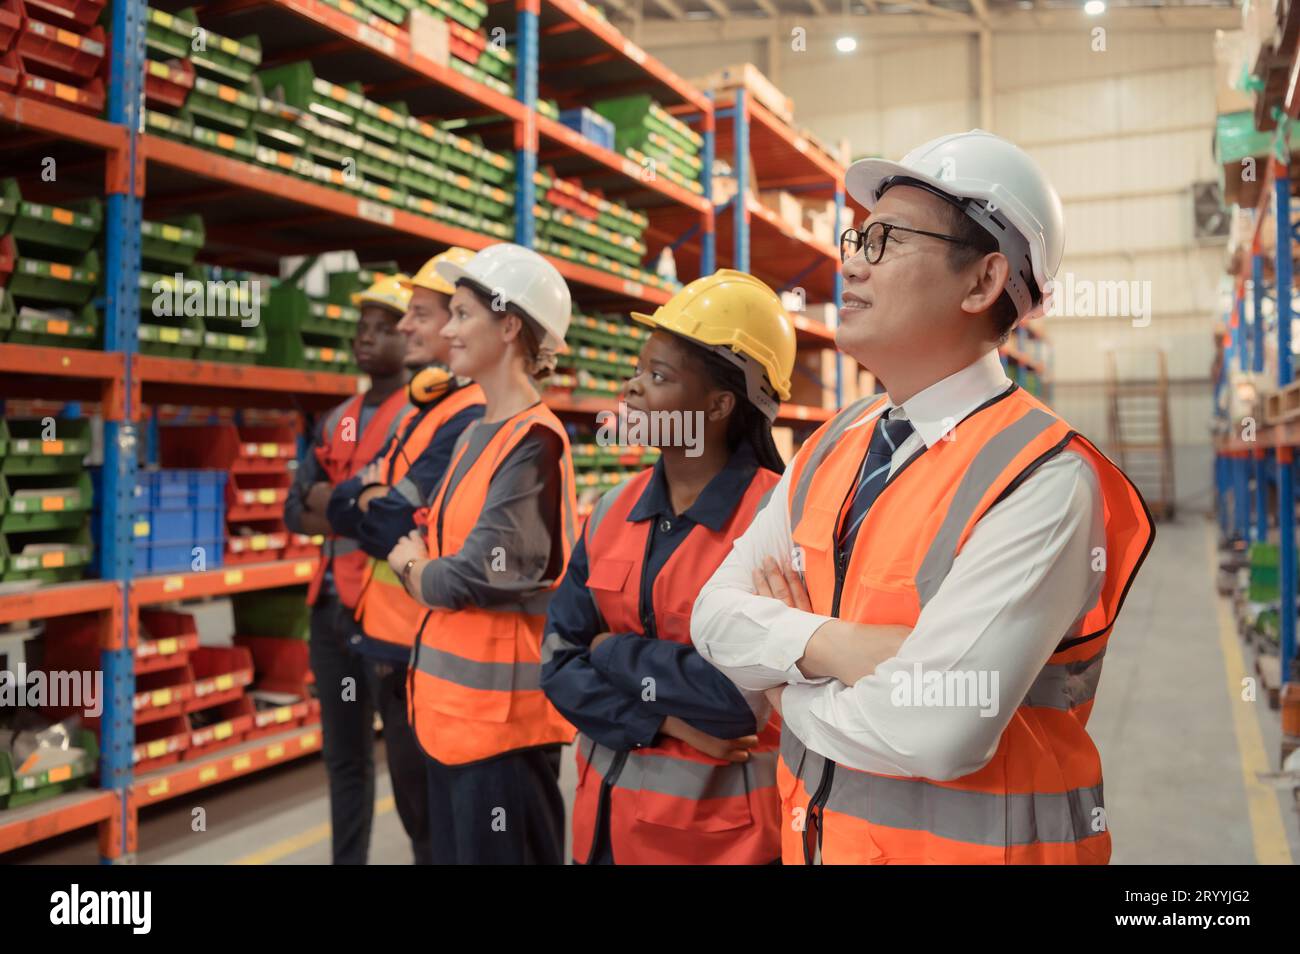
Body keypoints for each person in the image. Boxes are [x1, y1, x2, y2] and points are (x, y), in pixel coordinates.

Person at [691, 130, 1156, 865]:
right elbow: (711, 617)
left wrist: (783, 687)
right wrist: (840, 646)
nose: (850, 260)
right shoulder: (833, 445)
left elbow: (938, 730)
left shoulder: (1042, 480)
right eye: (857, 237)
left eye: (886, 240)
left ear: (981, 282)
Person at [540, 269, 796, 865]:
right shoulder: (611, 511)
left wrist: (607, 652)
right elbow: (555, 661)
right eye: (637, 370)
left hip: (717, 841)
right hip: (602, 829)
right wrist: (661, 724)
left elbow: (739, 700)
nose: (631, 389)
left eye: (658, 376)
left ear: (718, 405)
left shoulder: (775, 519)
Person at [384, 242, 578, 865]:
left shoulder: (535, 445)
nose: (447, 329)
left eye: (462, 314)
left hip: (503, 736)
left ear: (510, 324)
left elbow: (468, 575)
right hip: (448, 722)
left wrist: (411, 567)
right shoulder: (475, 431)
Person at [323, 249, 486, 865]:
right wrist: (367, 499)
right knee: (422, 822)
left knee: (440, 830)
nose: (409, 326)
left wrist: (369, 500)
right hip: (392, 641)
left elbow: (389, 517)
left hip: (429, 646)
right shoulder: (423, 411)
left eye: (421, 313)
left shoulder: (467, 418)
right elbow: (349, 506)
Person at [284, 273, 413, 865]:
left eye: (383, 329)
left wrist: (334, 502)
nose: (367, 338)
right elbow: (295, 508)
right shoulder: (337, 417)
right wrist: (351, 504)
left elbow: (397, 514)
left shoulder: (421, 417)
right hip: (330, 610)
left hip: (387, 618)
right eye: (362, 328)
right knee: (345, 760)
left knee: (414, 766)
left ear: (409, 337)